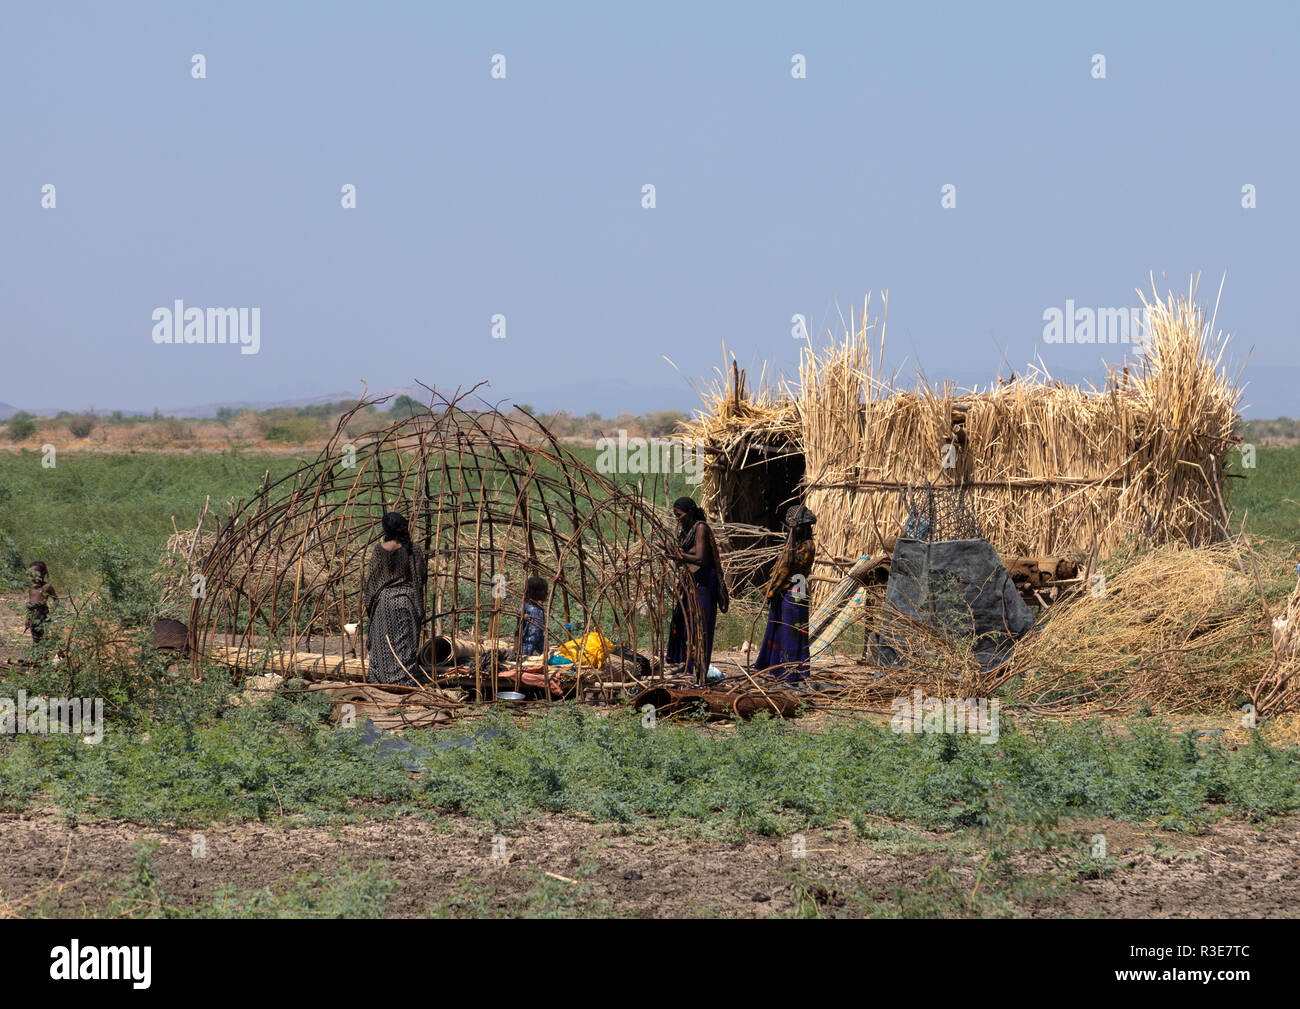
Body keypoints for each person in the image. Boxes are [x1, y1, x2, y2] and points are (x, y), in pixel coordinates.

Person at [666, 497, 728, 677]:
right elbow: (683, 557)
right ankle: (687, 665)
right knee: (684, 623)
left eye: (680, 515)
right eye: (675, 515)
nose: (678, 519)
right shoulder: (686, 531)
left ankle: (699, 669)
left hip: (704, 585)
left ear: (690, 513)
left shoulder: (700, 528)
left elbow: (700, 558)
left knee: (700, 626)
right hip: (690, 583)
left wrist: (678, 554)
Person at [363, 512, 427, 685]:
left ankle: (381, 682)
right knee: (403, 646)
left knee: (382, 643)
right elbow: (420, 576)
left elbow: (372, 581)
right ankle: (403, 682)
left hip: (383, 603)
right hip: (406, 602)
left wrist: (370, 603)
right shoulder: (413, 549)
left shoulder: (379, 550)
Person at [755, 505, 816, 683]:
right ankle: (778, 668)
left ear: (803, 527)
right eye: (790, 527)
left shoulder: (808, 545)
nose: (791, 530)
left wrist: (790, 540)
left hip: (797, 588)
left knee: (794, 631)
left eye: (795, 526)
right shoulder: (793, 544)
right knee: (779, 629)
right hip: (784, 590)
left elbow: (791, 563)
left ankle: (794, 672)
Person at [24, 561, 57, 643]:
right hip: (33, 616)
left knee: (44, 636)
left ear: (43, 573)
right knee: (36, 638)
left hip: (43, 614)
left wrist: (52, 611)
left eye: (35, 572)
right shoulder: (31, 588)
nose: (33, 575)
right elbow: (30, 605)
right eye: (31, 573)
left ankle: (45, 653)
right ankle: (39, 654)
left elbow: (56, 599)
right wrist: (27, 619)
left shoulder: (47, 587)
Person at [517, 576, 548, 657]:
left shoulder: (539, 608)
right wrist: (517, 648)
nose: (546, 594)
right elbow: (518, 630)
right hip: (526, 648)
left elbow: (541, 630)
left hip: (539, 648)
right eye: (543, 591)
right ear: (535, 592)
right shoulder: (524, 607)